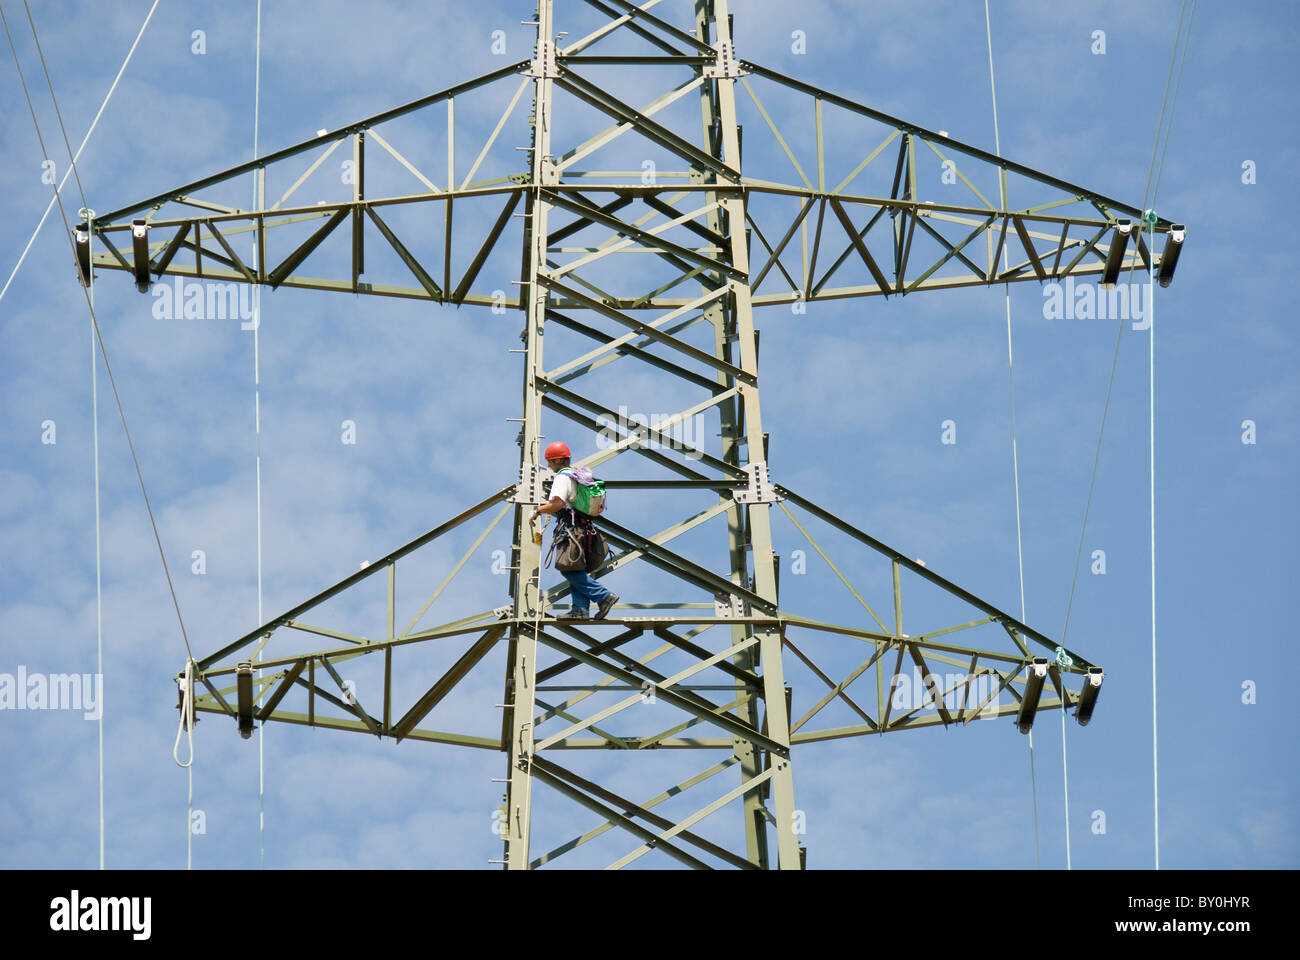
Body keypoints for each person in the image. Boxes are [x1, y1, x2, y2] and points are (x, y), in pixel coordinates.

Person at [529, 441, 619, 620]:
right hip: (586, 530)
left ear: (556, 461)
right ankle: (580, 610)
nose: (548, 465)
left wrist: (538, 510)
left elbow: (557, 504)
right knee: (577, 569)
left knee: (569, 569)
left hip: (572, 530)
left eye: (549, 461)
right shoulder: (579, 476)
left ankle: (603, 596)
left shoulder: (563, 477)